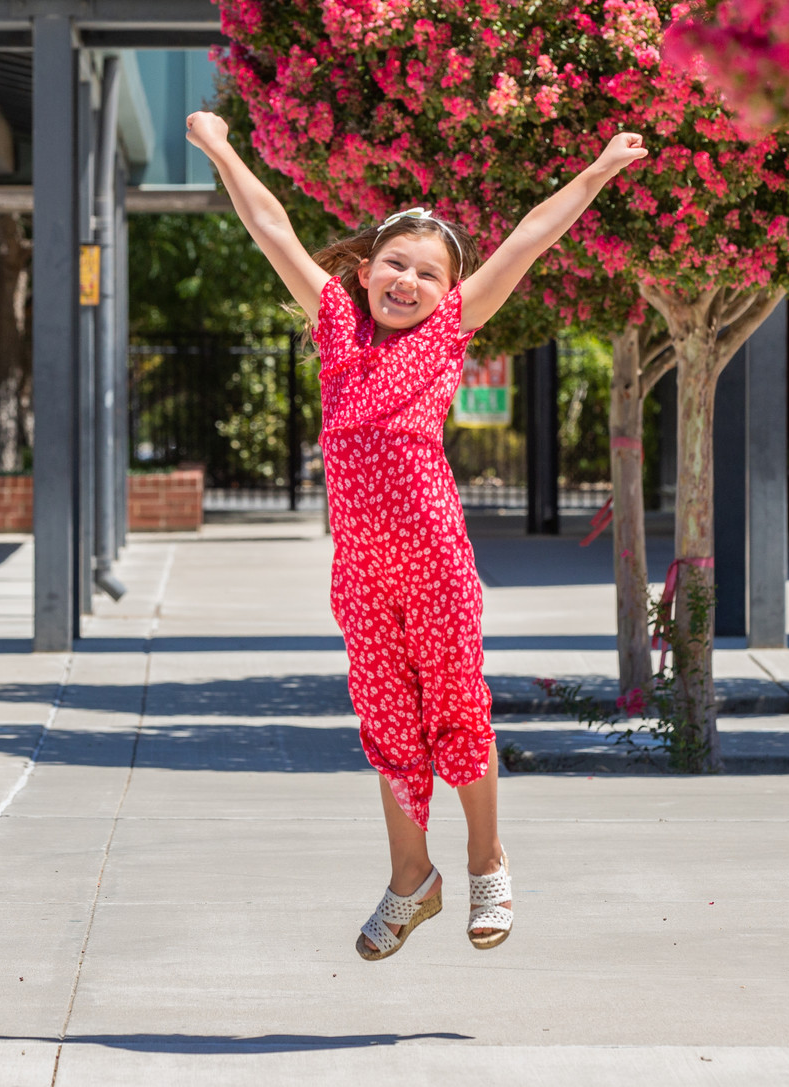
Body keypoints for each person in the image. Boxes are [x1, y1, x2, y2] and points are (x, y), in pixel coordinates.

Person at [185, 111, 650, 960]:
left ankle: (487, 860)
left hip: (433, 556)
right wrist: (222, 149)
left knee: (456, 712)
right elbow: (271, 225)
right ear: (363, 273)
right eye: (394, 264)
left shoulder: (447, 332)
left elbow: (529, 239)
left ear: (450, 292)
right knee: (388, 722)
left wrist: (598, 171)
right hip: (360, 571)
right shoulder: (333, 320)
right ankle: (412, 880)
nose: (407, 280)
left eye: (427, 273)